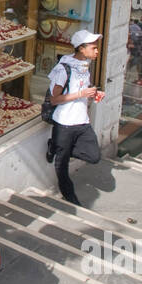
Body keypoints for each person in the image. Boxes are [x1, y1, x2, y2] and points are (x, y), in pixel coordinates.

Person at [46, 30, 104, 207]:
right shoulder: (63, 69)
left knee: (94, 155)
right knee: (61, 165)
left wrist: (92, 94)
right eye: (93, 48)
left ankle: (56, 146)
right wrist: (81, 93)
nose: (96, 51)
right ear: (81, 48)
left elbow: (82, 90)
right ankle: (69, 195)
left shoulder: (85, 66)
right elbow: (54, 99)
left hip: (82, 121)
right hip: (64, 122)